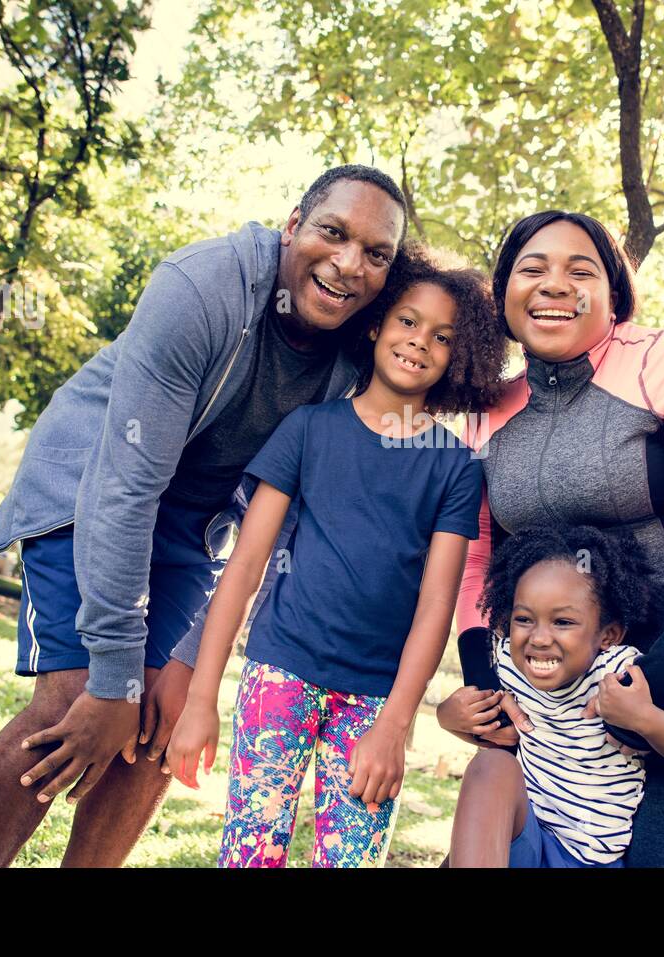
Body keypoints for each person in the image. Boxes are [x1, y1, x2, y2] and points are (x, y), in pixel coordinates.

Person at [0, 165, 409, 867]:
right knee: (76, 698)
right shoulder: (201, 287)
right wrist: (113, 676)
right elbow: (124, 486)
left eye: (376, 254)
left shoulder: (362, 356)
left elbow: (275, 520)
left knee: (167, 720)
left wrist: (189, 658)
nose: (349, 264)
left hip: (194, 535)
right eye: (333, 232)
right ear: (293, 224)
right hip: (90, 491)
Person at [452, 210, 664, 867]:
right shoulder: (488, 412)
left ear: (614, 298)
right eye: (533, 268)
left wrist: (657, 681)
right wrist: (486, 686)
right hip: (577, 658)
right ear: (503, 294)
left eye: (580, 270)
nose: (555, 283)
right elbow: (477, 563)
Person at [165, 249, 507, 867]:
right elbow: (243, 570)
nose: (419, 342)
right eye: (407, 321)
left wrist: (396, 725)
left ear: (461, 357)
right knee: (248, 858)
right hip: (279, 675)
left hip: (375, 700)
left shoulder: (456, 466)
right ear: (375, 323)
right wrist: (199, 701)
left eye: (442, 337)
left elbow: (436, 606)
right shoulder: (307, 428)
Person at [439, 525, 664, 867]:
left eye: (562, 622)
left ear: (608, 635)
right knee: (491, 764)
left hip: (585, 858)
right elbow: (488, 734)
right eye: (524, 619)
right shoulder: (510, 666)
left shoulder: (622, 676)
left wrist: (645, 719)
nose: (540, 638)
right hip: (523, 840)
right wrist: (448, 717)